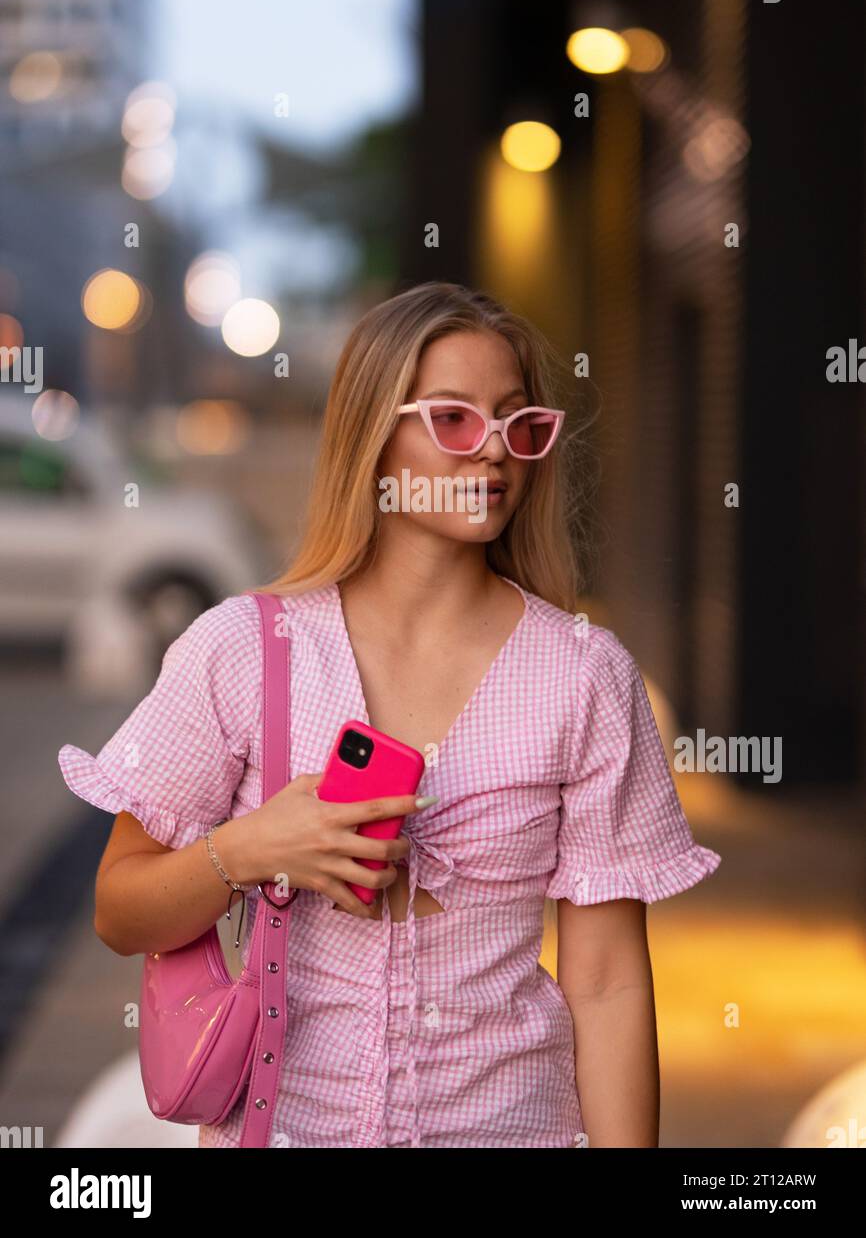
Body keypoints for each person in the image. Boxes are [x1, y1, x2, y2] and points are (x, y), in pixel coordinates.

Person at [59, 280, 722, 1148]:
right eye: (453, 419)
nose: (492, 453)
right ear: (374, 436)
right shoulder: (241, 650)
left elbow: (606, 985)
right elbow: (120, 912)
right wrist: (248, 849)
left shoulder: (584, 676)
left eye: (517, 425)